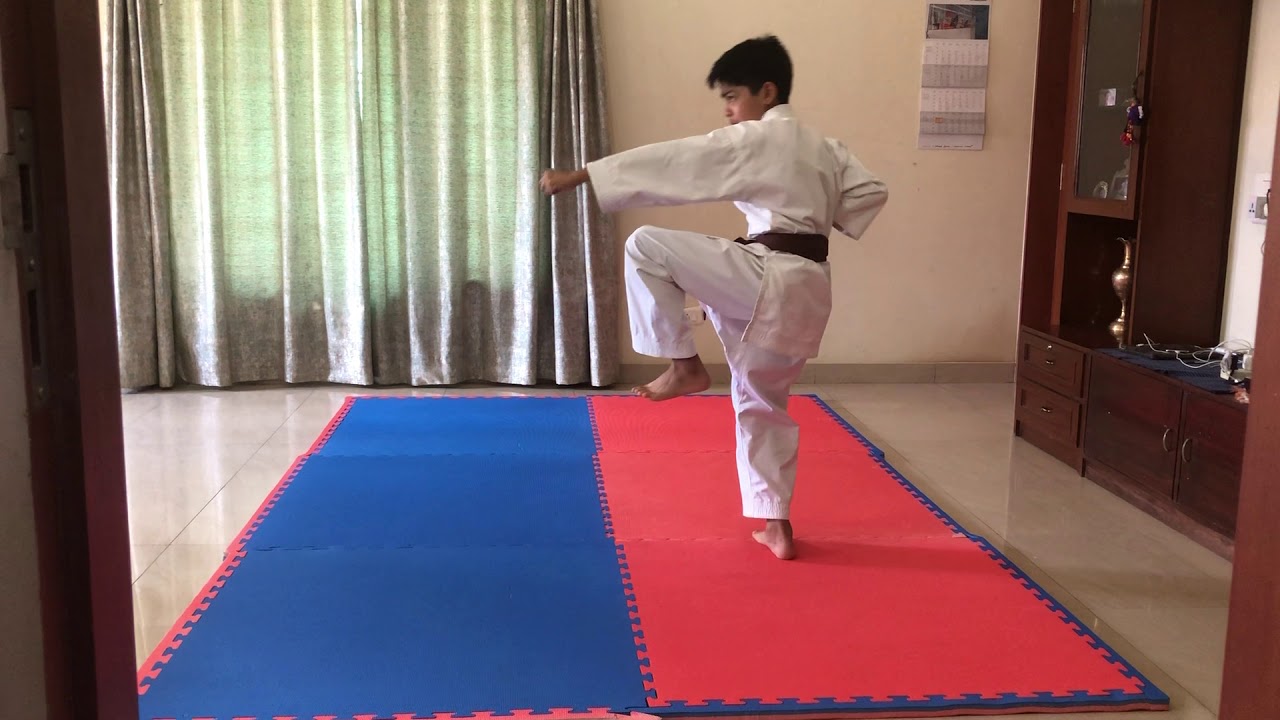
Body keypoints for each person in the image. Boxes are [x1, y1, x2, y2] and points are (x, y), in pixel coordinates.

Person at [540, 35, 888, 560]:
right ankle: (776, 526)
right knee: (762, 403)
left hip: (766, 275)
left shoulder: (756, 138)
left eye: (732, 97)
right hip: (810, 289)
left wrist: (583, 174)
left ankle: (684, 364)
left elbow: (677, 160)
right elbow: (870, 194)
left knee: (646, 245)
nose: (728, 111)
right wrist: (815, 206)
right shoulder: (827, 147)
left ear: (766, 92)